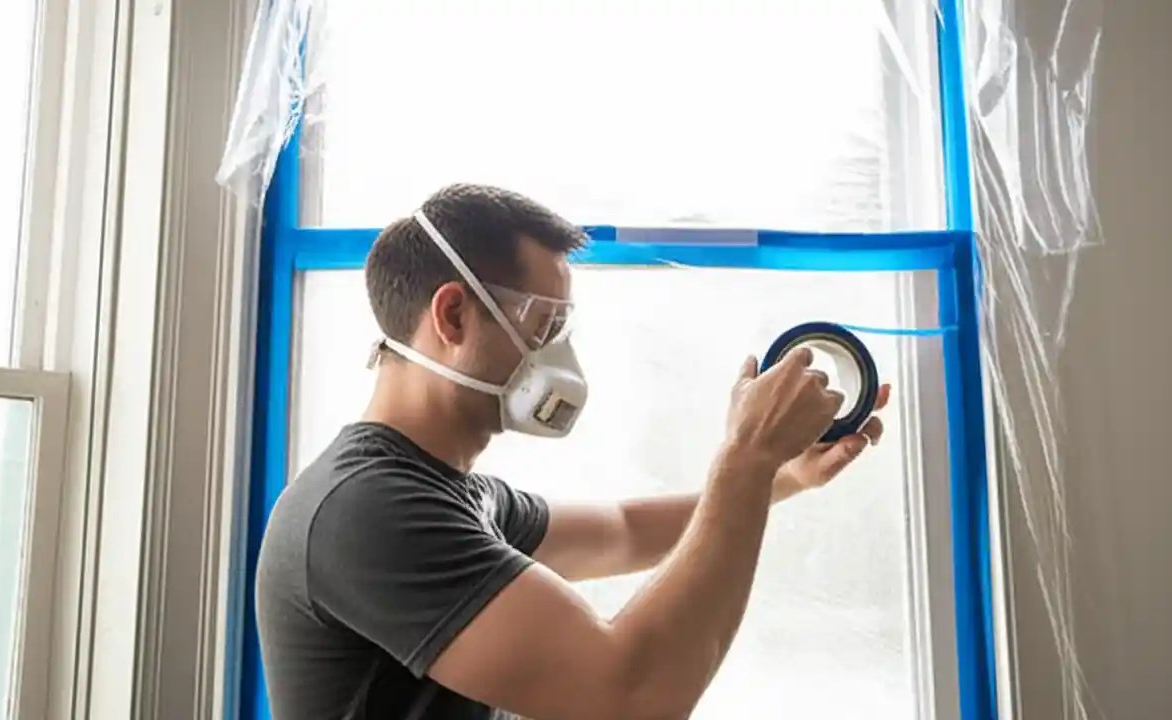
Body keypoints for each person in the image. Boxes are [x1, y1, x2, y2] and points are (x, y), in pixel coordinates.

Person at [255, 184, 891, 720]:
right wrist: (746, 459)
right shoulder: (367, 511)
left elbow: (620, 531)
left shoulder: (450, 494)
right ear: (452, 316)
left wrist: (781, 476)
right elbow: (629, 697)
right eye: (543, 324)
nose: (558, 354)